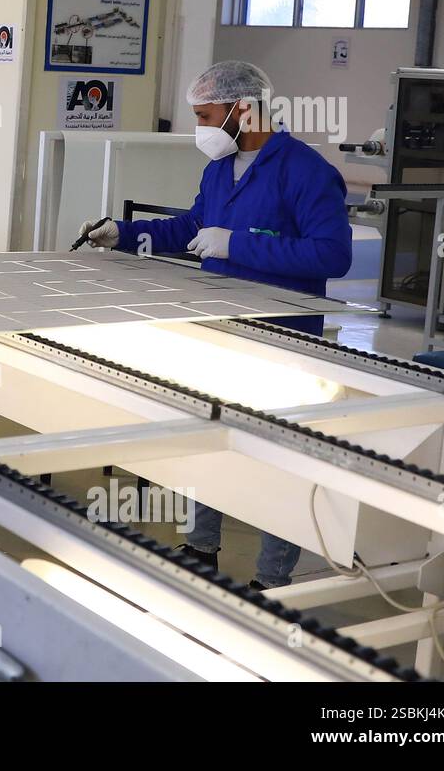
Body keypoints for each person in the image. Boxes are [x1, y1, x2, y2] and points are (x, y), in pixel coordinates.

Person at [77, 60, 352, 590]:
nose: (199, 127)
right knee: (210, 437)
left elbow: (331, 255)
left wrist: (239, 243)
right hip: (218, 327)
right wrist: (125, 232)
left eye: (204, 115)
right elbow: (192, 228)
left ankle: (272, 579)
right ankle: (202, 547)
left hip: (282, 338)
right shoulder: (219, 169)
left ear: (241, 109)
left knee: (279, 458)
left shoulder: (306, 171)